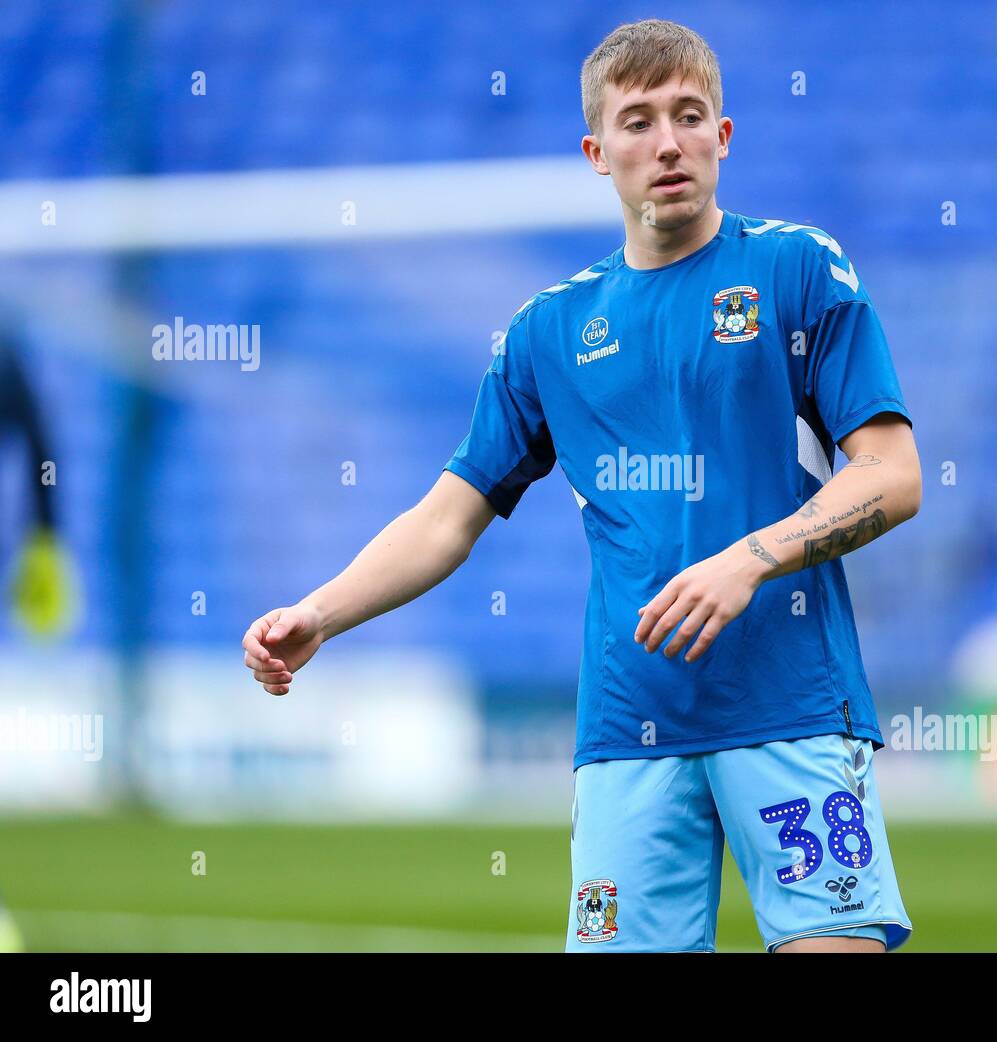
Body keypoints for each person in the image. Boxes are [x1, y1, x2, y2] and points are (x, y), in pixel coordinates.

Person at [243, 18, 921, 953]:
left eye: (690, 116)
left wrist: (748, 562)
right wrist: (319, 613)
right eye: (638, 121)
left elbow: (892, 475)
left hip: (792, 703)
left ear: (724, 137)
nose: (669, 141)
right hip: (628, 726)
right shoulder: (547, 332)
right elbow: (446, 518)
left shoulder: (797, 270)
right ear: (597, 153)